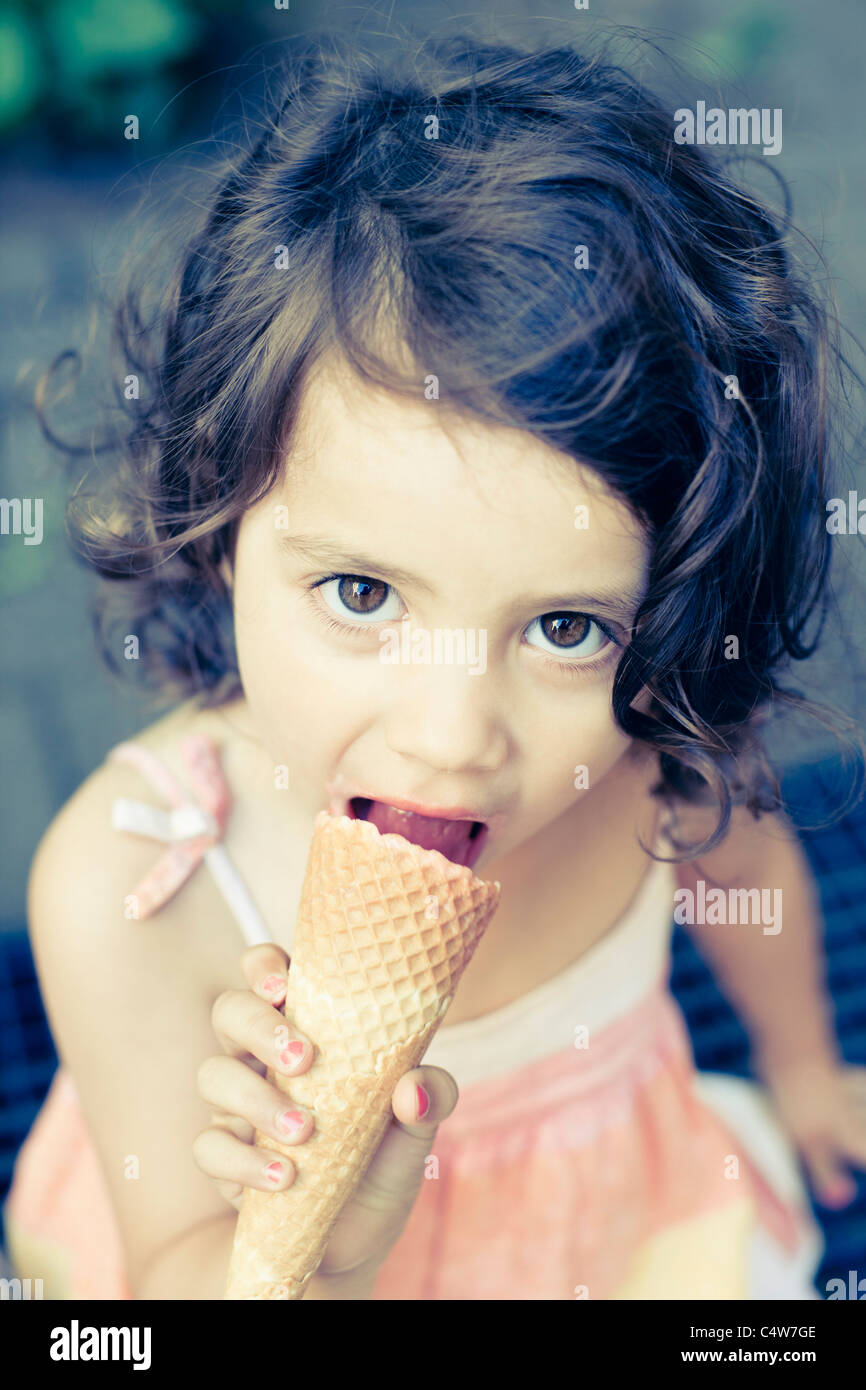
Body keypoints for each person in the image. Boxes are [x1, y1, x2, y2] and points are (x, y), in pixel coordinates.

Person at [6, 33, 866, 1300]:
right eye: (360, 594)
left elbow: (747, 861)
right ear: (217, 528)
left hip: (600, 1232)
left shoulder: (647, 760)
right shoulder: (130, 892)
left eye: (566, 628)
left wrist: (798, 1063)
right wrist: (321, 1246)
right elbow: (183, 1266)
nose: (456, 733)